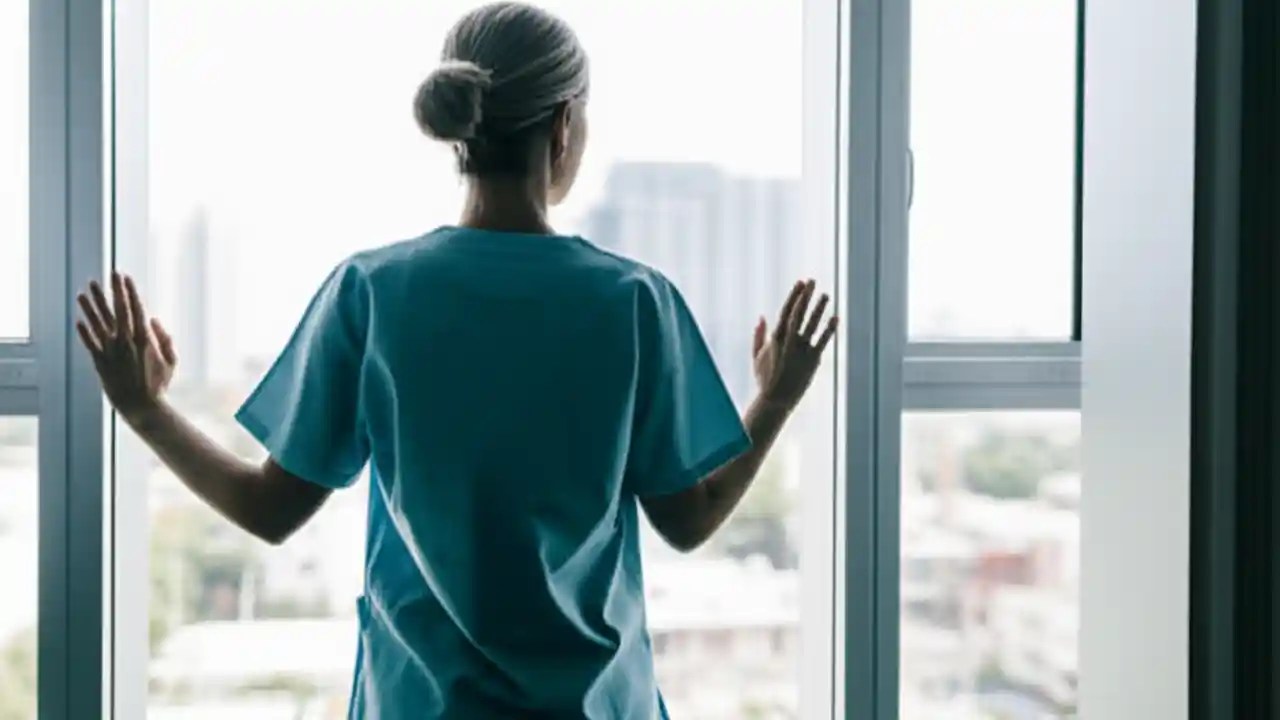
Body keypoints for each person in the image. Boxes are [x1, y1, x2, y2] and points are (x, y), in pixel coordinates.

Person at [74, 3, 835, 718]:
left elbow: (269, 509)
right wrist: (774, 399)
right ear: (565, 127)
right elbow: (690, 519)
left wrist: (146, 409)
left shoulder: (371, 293)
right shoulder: (634, 302)